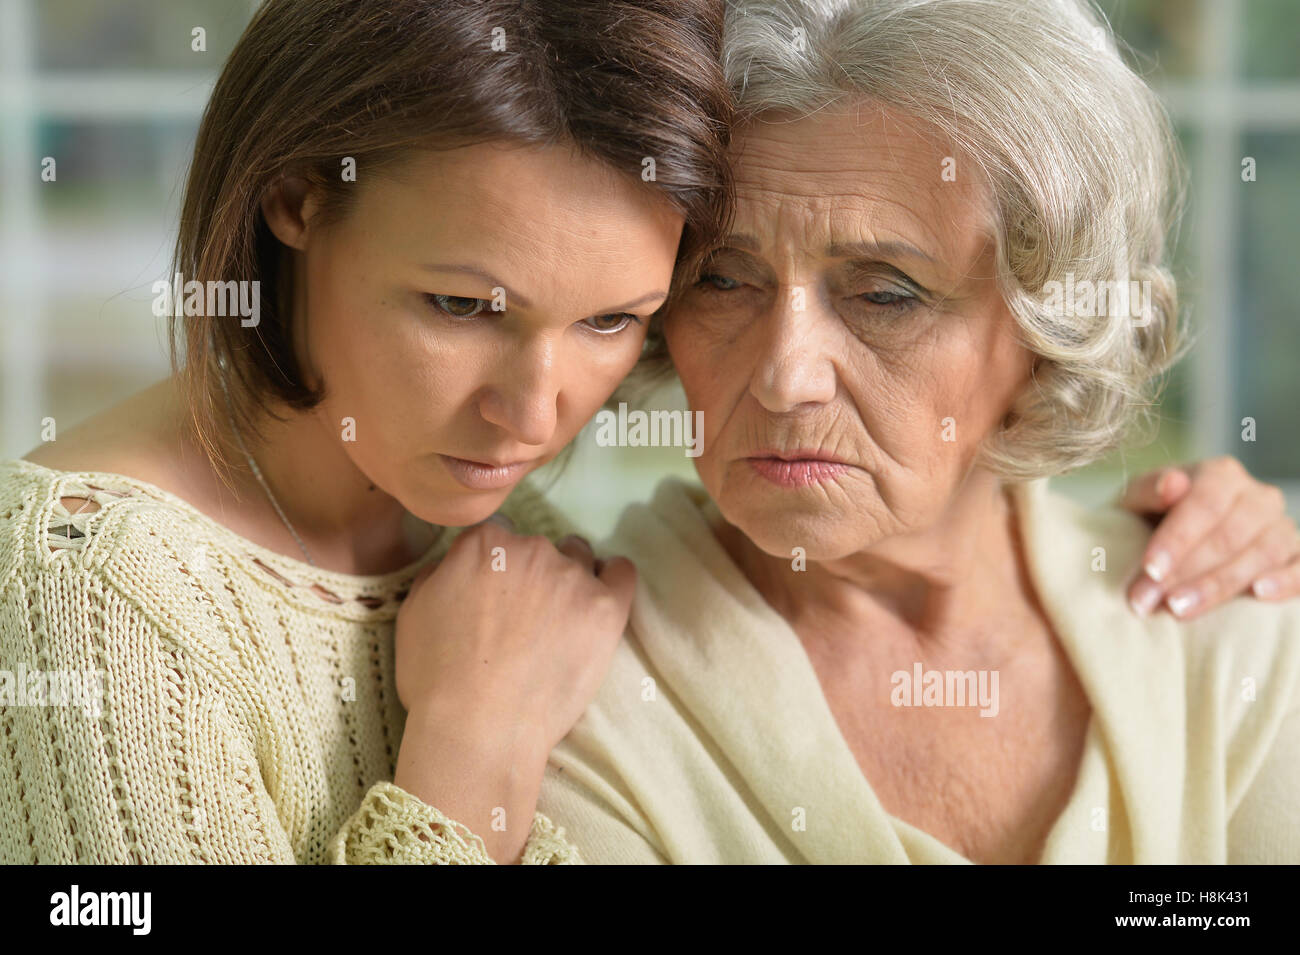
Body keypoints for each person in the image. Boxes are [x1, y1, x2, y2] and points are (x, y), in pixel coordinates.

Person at [532, 0, 1300, 864]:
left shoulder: (1233, 636)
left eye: (885, 293)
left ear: (1047, 338)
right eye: (722, 281)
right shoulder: (567, 685)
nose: (788, 377)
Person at [0, 0, 733, 865]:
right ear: (295, 196)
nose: (534, 417)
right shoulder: (86, 592)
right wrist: (472, 735)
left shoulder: (514, 538)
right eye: (463, 306)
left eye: (610, 320)